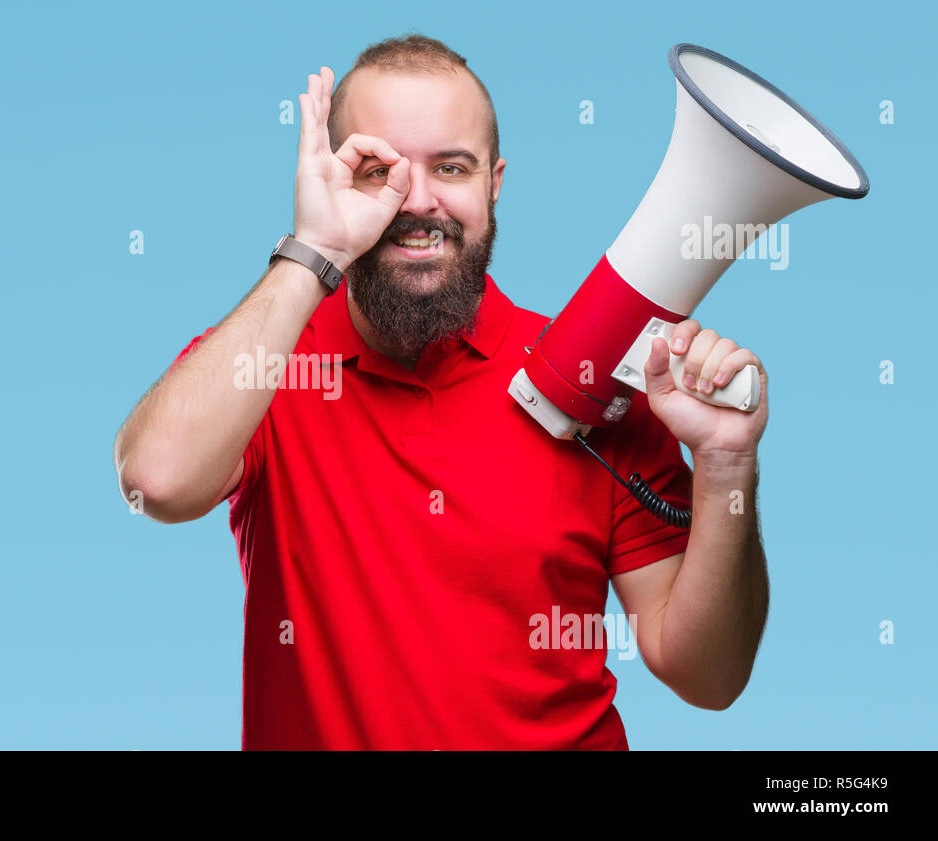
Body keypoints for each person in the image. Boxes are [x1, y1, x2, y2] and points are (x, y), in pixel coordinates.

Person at [114, 34, 770, 749]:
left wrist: (726, 463)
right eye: (378, 170)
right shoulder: (268, 362)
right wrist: (315, 249)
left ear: (495, 182)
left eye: (451, 168)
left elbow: (709, 677)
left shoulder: (591, 379)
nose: (418, 200)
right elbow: (156, 483)